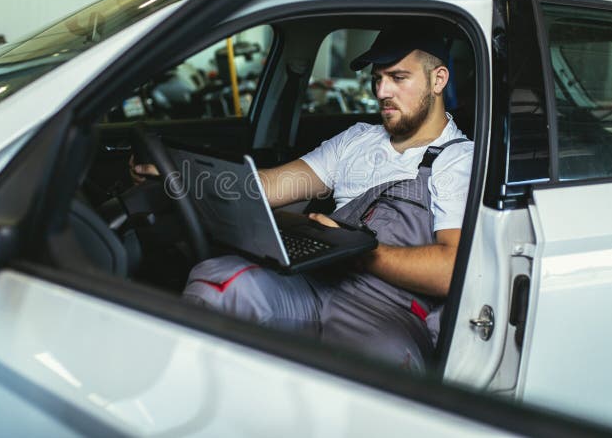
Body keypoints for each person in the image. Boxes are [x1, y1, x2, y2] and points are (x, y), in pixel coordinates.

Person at [133, 27, 473, 371]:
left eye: (398, 78)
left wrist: (360, 250)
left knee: (371, 377)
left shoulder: (459, 161)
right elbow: (266, 186)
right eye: (378, 79)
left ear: (438, 79)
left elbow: (451, 269)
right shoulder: (357, 140)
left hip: (385, 307)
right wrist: (178, 175)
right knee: (219, 284)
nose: (382, 91)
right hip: (319, 281)